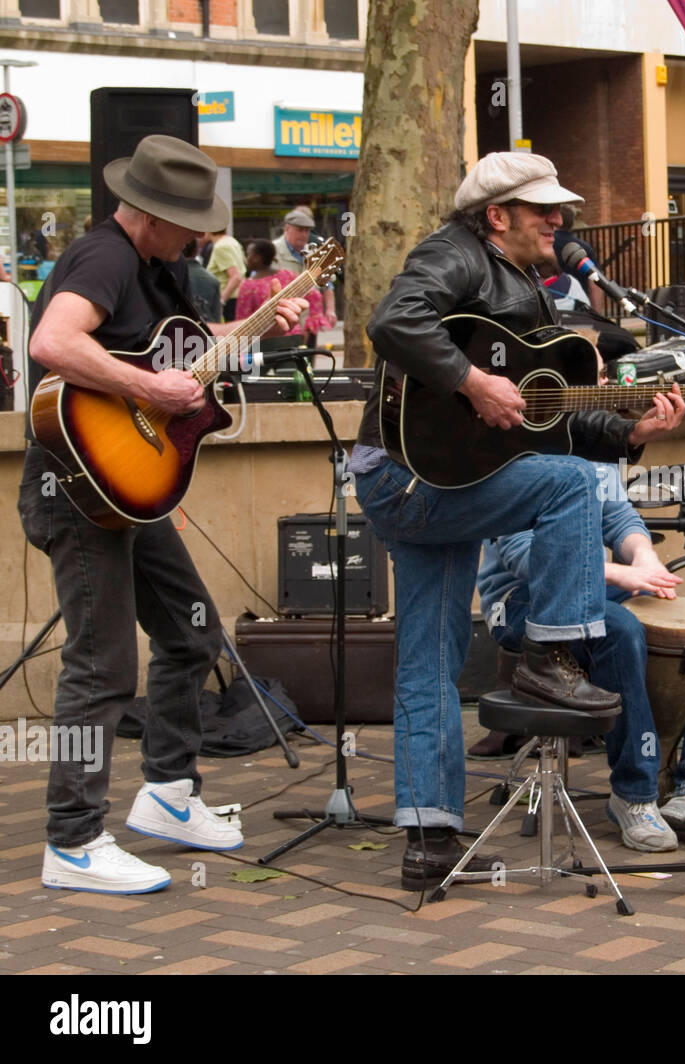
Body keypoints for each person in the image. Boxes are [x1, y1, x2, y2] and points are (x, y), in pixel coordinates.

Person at [347, 151, 685, 890]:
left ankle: (429, 837)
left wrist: (633, 434)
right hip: (405, 475)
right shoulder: (455, 253)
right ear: (497, 216)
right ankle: (550, 661)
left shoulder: (534, 293)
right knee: (567, 488)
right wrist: (472, 382)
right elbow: (393, 318)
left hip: (450, 481)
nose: (560, 221)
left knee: (429, 658)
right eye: (544, 209)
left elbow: (549, 425)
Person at [19, 135, 306, 894]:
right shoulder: (104, 258)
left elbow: (175, 352)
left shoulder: (157, 271)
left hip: (131, 492)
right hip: (78, 491)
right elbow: (53, 342)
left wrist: (255, 329)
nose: (201, 236)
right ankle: (73, 841)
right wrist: (147, 393)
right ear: (149, 213)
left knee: (192, 633)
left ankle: (168, 796)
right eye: (190, 222)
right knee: (101, 665)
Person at [478, 459, 685, 852]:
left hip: (592, 583)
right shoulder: (515, 450)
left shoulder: (592, 442)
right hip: (518, 599)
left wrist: (643, 557)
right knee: (620, 629)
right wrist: (620, 575)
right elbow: (525, 555)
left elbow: (619, 516)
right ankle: (634, 794)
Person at [235, 238, 329, 334]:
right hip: (293, 335)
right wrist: (310, 323)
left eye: (248, 254)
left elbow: (242, 322)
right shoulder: (288, 275)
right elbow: (314, 295)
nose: (247, 259)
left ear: (257, 258)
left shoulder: (248, 286)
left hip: (264, 341)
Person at [271, 206, 338, 333]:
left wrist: (330, 310)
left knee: (309, 352)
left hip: (310, 321)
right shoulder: (272, 251)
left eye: (307, 231)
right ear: (287, 229)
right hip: (283, 321)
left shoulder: (314, 252)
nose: (304, 235)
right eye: (299, 230)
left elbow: (328, 284)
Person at [204, 223, 246, 322]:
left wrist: (220, 302)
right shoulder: (231, 241)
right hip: (238, 296)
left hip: (229, 300)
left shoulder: (221, 246)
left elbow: (235, 277)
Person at [183, 238, 222, 323]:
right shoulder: (212, 280)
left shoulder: (168, 276)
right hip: (207, 331)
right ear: (197, 250)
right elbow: (216, 318)